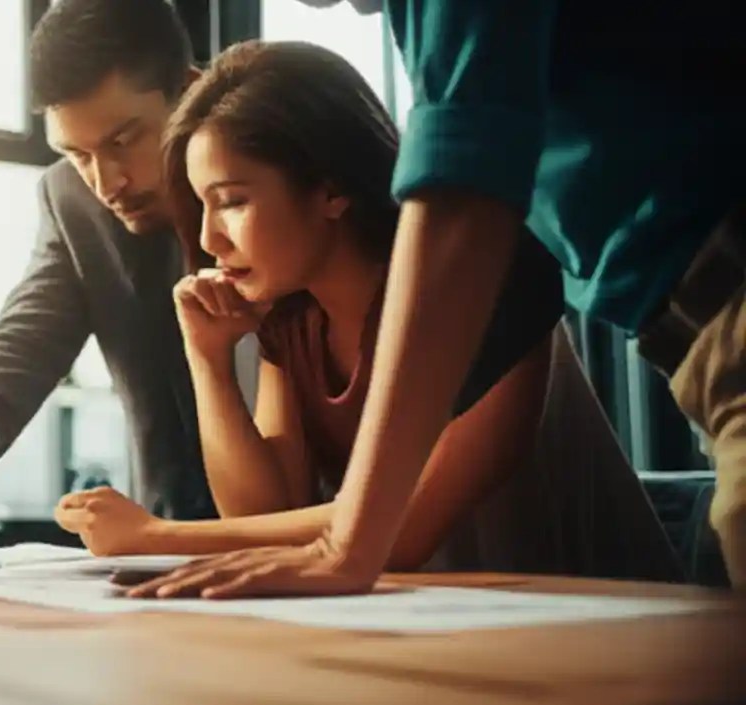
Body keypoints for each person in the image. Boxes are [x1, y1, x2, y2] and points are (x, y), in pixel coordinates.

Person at [0, 0, 559, 549]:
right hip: (293, 572)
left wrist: (166, 538)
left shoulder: (438, 255)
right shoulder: (284, 307)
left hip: (489, 569)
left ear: (188, 96)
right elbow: (28, 332)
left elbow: (395, 523)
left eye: (123, 139)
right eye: (76, 154)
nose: (104, 182)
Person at [134, 0, 745, 597]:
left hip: (581, 627)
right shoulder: (293, 321)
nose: (211, 239)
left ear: (332, 189)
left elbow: (404, 531)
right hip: (689, 344)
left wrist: (155, 536)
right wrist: (209, 362)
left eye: (233, 200)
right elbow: (266, 514)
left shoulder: (486, 281)